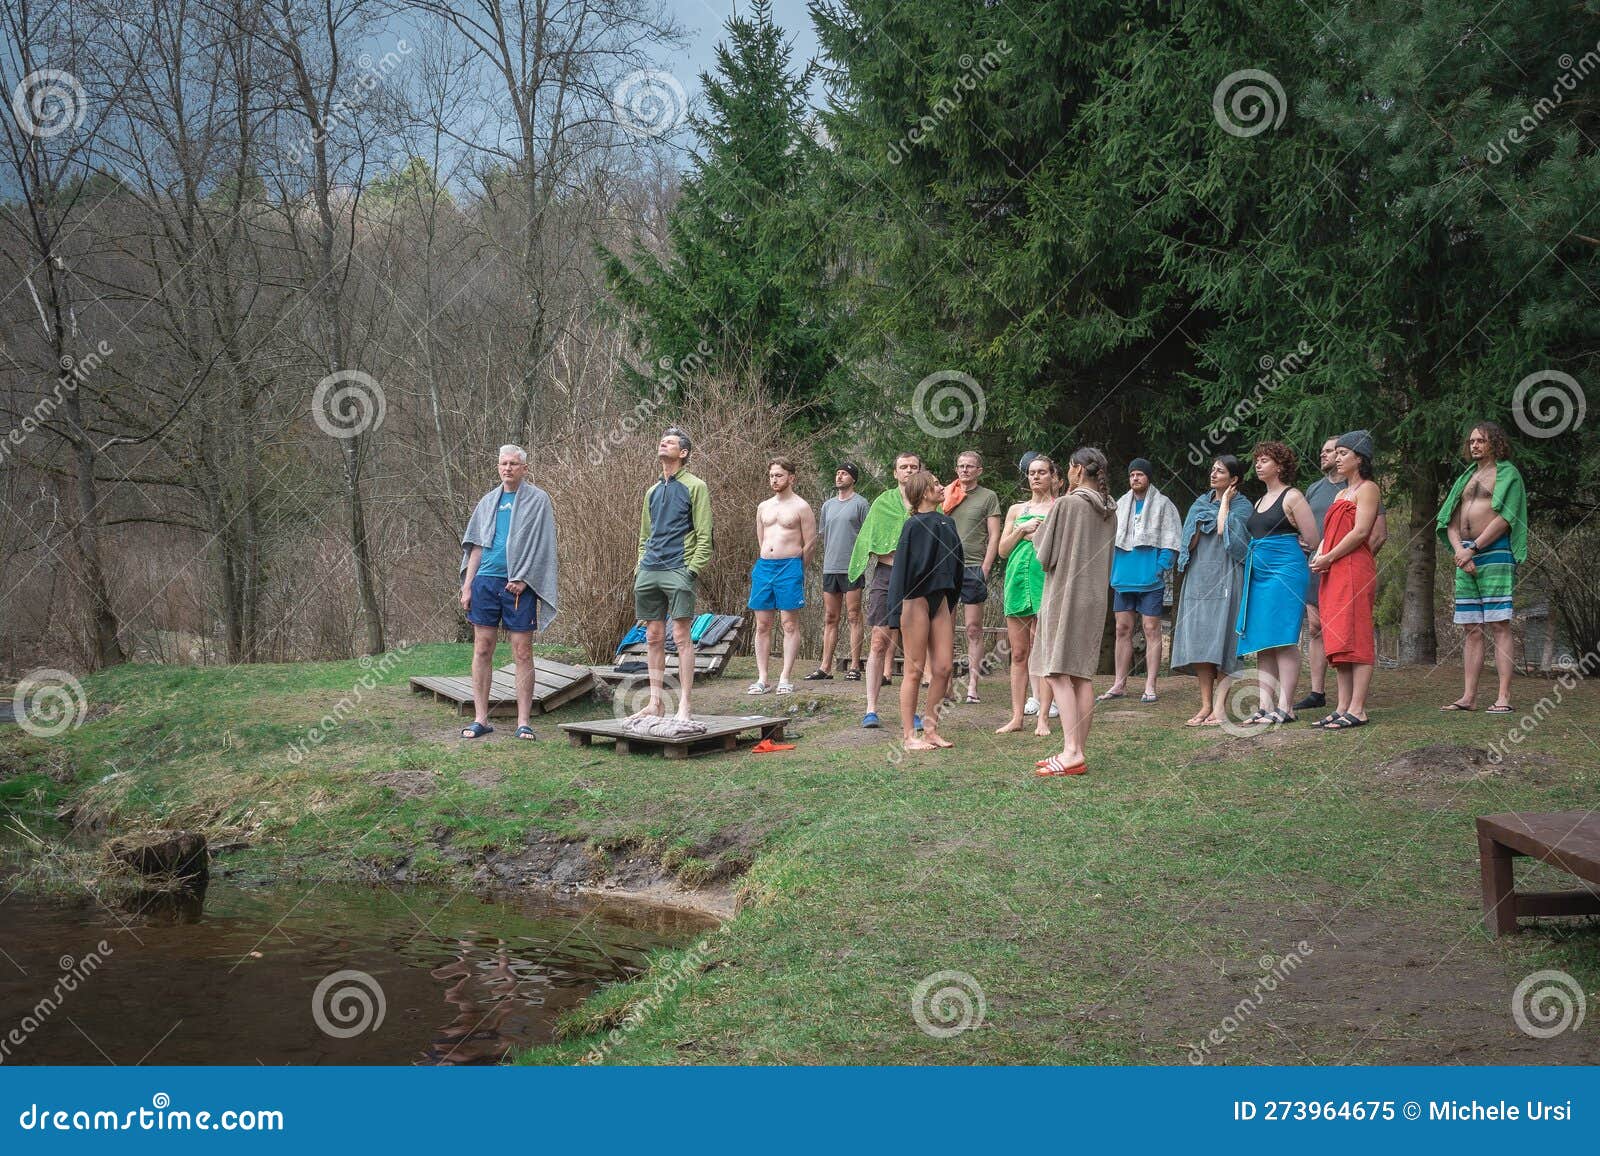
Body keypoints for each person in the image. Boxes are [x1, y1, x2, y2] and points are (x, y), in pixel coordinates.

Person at [458, 445, 560, 741]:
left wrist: (526, 579)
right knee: (482, 648)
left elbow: (543, 545)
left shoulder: (538, 500)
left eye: (514, 463)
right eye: (503, 463)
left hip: (518, 588)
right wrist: (468, 586)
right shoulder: (489, 501)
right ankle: (480, 719)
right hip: (486, 582)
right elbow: (476, 545)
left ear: (524, 468)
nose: (508, 468)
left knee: (522, 652)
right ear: (498, 467)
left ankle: (523, 721)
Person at [1031, 447, 1120, 776]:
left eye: (1069, 468)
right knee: (1081, 674)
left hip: (1066, 594)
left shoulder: (1068, 504)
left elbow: (1045, 555)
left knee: (1055, 671)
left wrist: (1034, 532)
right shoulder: (1111, 507)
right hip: (1095, 596)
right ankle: (1076, 750)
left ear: (1079, 469)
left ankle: (1071, 751)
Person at [1437, 420, 1529, 714]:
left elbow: (1505, 518)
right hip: (1464, 556)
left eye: (1481, 440)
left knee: (1499, 623)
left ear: (1495, 443)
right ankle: (1468, 697)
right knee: (1471, 628)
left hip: (1494, 553)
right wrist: (1460, 551)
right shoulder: (1465, 478)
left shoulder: (1507, 474)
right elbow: (1450, 520)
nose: (1474, 445)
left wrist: (1474, 547)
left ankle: (1503, 697)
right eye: (1472, 441)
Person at [1296, 435, 1389, 712]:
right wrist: (1320, 555)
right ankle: (1341, 707)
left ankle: (1357, 709)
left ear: (1359, 458)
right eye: (1335, 453)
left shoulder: (1368, 489)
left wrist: (1329, 556)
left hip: (1353, 567)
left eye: (1343, 453)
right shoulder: (1339, 494)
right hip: (1332, 569)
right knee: (1337, 637)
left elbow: (1361, 532)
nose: (1336, 458)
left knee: (1356, 634)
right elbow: (1328, 533)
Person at [629, 427, 712, 731]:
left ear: (684, 453)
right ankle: (654, 703)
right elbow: (643, 535)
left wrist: (691, 570)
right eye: (661, 440)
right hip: (650, 569)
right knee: (652, 636)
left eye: (671, 442)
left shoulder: (696, 486)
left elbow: (705, 535)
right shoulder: (651, 491)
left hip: (679, 568)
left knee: (680, 637)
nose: (663, 443)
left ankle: (686, 704)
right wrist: (641, 565)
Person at [1235, 441, 1317, 724]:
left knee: (1282, 637)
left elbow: (1314, 539)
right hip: (1259, 573)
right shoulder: (1258, 501)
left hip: (1286, 571)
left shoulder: (1292, 496)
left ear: (1280, 466)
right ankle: (1264, 706)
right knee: (1263, 641)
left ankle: (1286, 707)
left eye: (1265, 460)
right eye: (1257, 460)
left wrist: (1293, 548)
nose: (1258, 464)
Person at [1170, 455, 1251, 727]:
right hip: (1199, 579)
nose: (1213, 474)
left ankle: (1220, 707)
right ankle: (1205, 704)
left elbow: (1231, 539)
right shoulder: (1200, 504)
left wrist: (1225, 504)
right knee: (1202, 641)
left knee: (1224, 640)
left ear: (1234, 479)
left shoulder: (1242, 506)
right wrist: (1209, 513)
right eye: (1212, 470)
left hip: (1227, 577)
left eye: (1220, 471)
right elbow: (1189, 543)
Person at [888, 471, 964, 751]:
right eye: (935, 484)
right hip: (915, 600)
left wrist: (951, 599)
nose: (941, 486)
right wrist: (894, 612)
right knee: (914, 670)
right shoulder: (913, 526)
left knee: (943, 668)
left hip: (941, 600)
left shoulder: (948, 522)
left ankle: (930, 730)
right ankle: (909, 736)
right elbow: (900, 571)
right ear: (922, 493)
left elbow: (957, 564)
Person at [848, 452, 922, 728]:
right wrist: (854, 572)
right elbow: (867, 536)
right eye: (903, 467)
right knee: (879, 641)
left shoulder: (927, 501)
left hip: (917, 579)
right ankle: (871, 708)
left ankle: (911, 710)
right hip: (886, 574)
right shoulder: (883, 502)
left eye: (914, 467)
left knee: (915, 645)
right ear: (895, 473)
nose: (909, 471)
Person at [1101, 457, 1181, 704]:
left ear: (1148, 477)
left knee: (1151, 629)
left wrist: (1161, 566)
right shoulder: (1119, 504)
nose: (1135, 478)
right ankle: (1119, 683)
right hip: (1123, 577)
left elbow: (1171, 538)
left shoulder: (1163, 504)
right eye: (1132, 475)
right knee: (1122, 629)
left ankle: (1150, 685)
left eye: (1140, 474)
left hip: (1150, 578)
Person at [996, 453, 1057, 735]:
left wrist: (1040, 535)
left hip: (1045, 581)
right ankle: (1017, 717)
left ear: (1053, 476)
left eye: (1042, 472)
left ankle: (1044, 717)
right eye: (1032, 472)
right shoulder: (1016, 510)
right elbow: (1002, 550)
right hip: (1017, 583)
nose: (1035, 477)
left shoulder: (1060, 507)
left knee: (1044, 652)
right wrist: (1022, 529)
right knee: (1019, 653)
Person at [745, 458, 816, 696]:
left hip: (790, 566)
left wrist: (797, 569)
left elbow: (810, 543)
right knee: (762, 624)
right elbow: (761, 539)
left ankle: (785, 676)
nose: (774, 480)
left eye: (779, 475)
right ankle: (763, 678)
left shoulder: (801, 507)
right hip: (765, 566)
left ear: (791, 478)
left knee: (788, 623)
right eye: (772, 475)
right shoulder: (763, 507)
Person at [943, 450, 1002, 704]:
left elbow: (994, 535)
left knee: (973, 628)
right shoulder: (946, 493)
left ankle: (972, 685)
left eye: (969, 466)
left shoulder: (988, 497)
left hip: (974, 567)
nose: (964, 470)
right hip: (945, 568)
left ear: (979, 470)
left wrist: (986, 568)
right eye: (960, 466)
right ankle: (944, 684)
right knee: (944, 629)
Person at [807, 463, 870, 682]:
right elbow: (823, 534)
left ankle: (854, 666)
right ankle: (825, 667)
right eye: (837, 473)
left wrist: (861, 562)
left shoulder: (861, 504)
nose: (839, 476)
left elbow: (867, 535)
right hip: (830, 567)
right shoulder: (828, 506)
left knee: (854, 615)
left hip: (852, 568)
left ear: (853, 478)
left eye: (844, 473)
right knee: (830, 617)